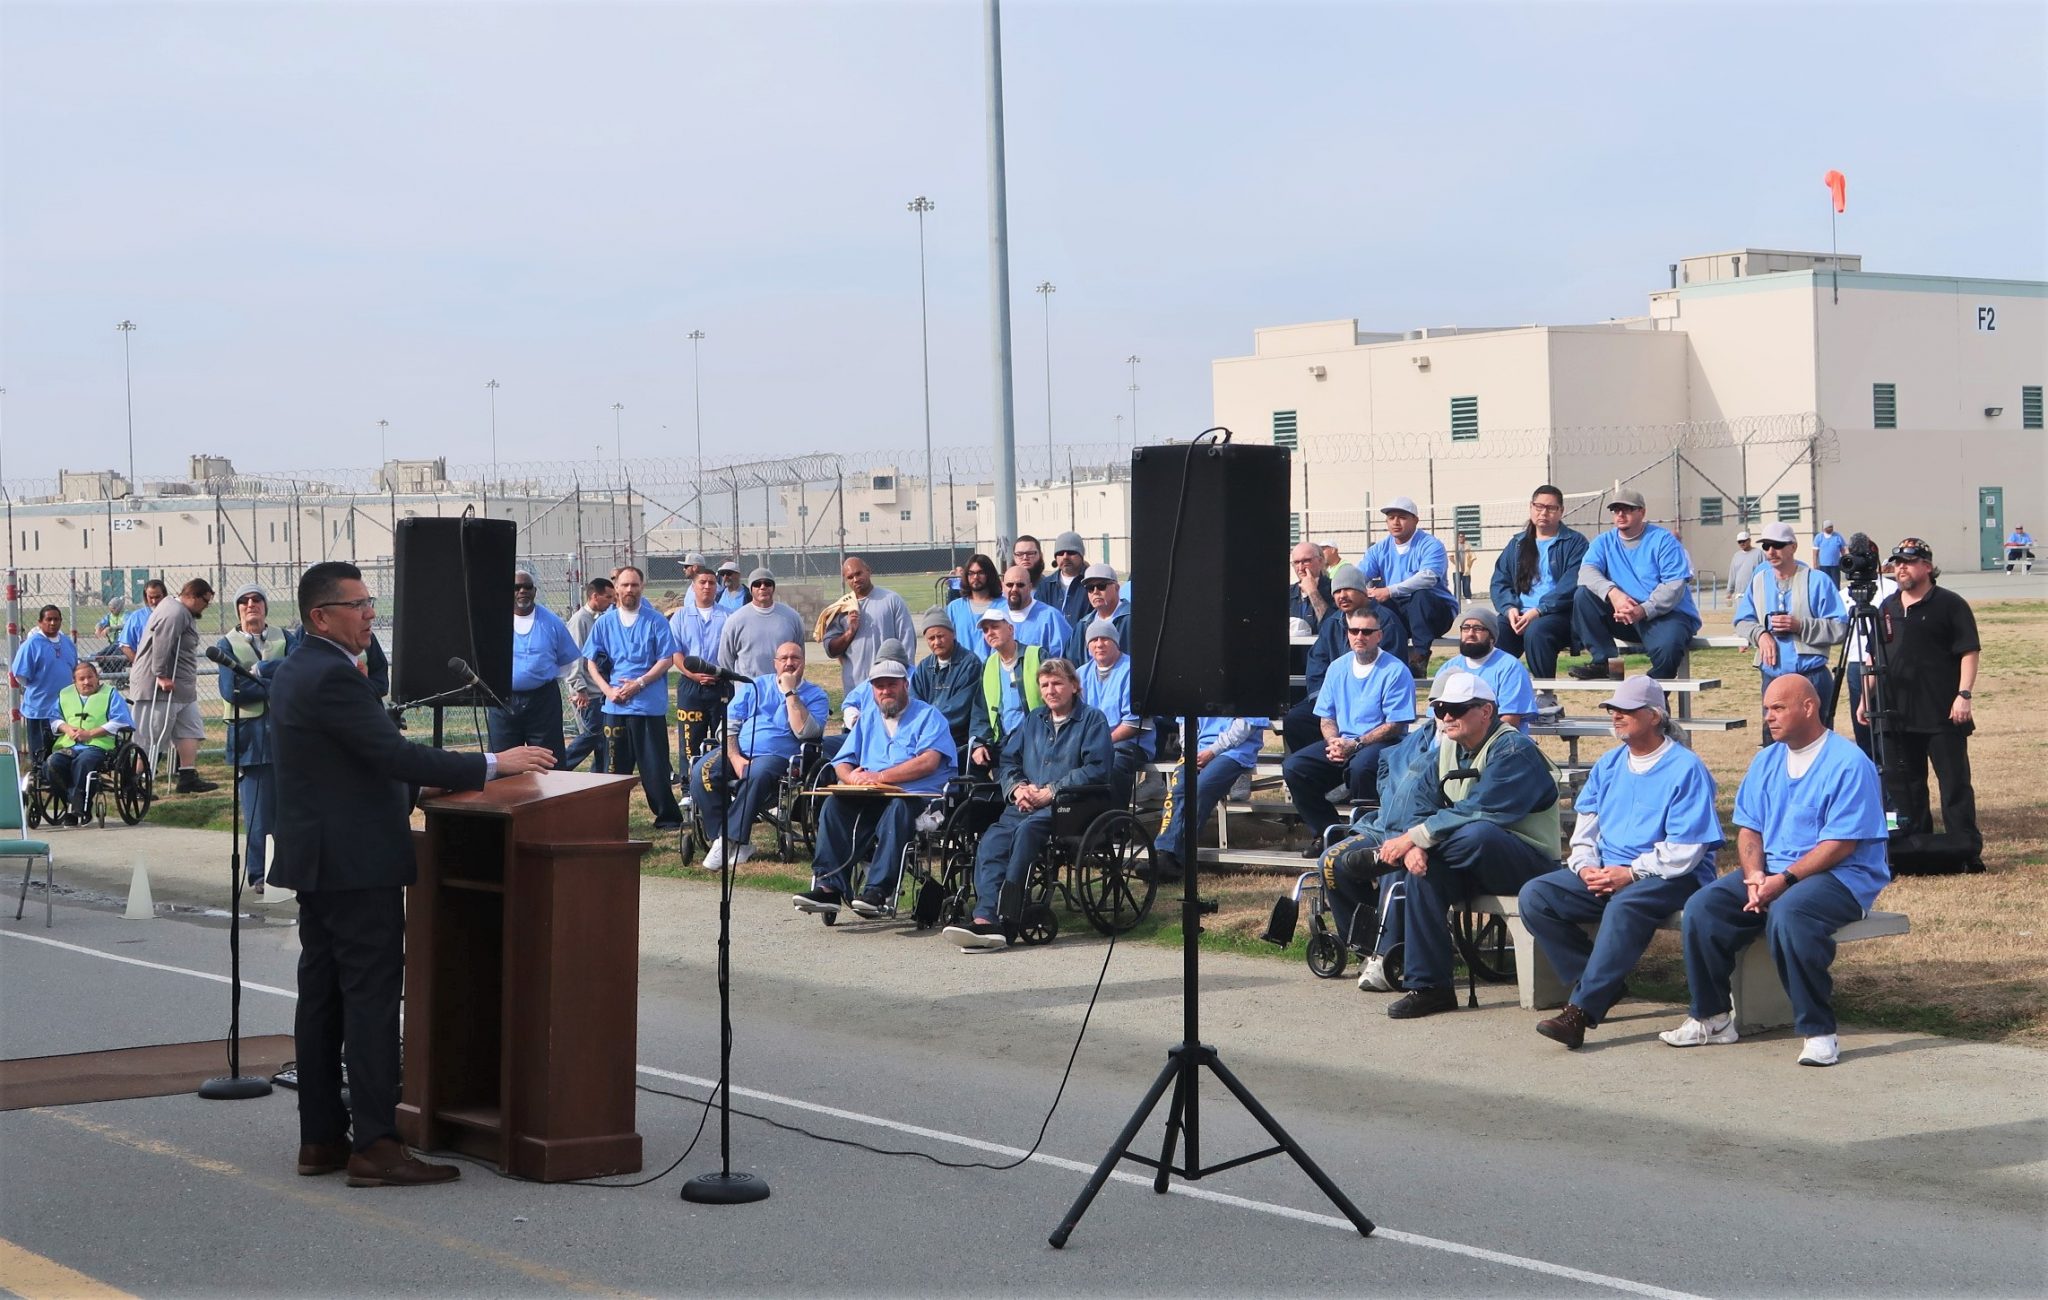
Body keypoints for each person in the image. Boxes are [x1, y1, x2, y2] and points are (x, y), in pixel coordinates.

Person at [269, 560, 556, 1187]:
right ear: (322, 615)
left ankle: (320, 1137)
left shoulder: (298, 669)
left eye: (372, 602)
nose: (372, 614)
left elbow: (351, 763)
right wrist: (493, 762)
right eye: (358, 604)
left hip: (321, 858)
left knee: (322, 1000)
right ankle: (375, 1144)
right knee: (368, 1003)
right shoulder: (332, 676)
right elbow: (392, 754)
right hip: (354, 862)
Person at [1661, 676, 1889, 1067]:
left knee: (1790, 913)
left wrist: (1781, 883)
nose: (1769, 717)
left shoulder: (1849, 763)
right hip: (1772, 875)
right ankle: (1712, 1019)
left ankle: (1819, 1032)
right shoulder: (1766, 760)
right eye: (1766, 708)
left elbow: (1841, 844)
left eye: (1778, 708)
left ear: (1808, 707)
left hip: (1842, 877)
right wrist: (1754, 877)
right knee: (1704, 907)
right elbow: (1750, 828)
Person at [1517, 678, 1722, 1049]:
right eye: (1613, 710)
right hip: (1610, 870)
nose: (1615, 716)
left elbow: (1685, 851)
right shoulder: (1609, 764)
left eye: (1625, 710)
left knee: (1627, 904)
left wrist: (1629, 873)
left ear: (1654, 716)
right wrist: (1584, 868)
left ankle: (1580, 1012)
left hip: (1673, 876)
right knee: (1537, 894)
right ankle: (1599, 983)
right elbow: (1585, 832)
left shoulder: (1685, 768)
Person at [1368, 673, 1560, 1020]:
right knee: (1424, 876)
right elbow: (1415, 805)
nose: (1445, 718)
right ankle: (1430, 987)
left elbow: (1481, 808)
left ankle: (1390, 862)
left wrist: (1415, 839)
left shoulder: (1515, 749)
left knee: (1478, 833)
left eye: (1455, 709)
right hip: (1469, 859)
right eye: (1440, 709)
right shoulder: (1446, 750)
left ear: (1486, 711)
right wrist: (1413, 848)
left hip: (1529, 864)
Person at [943, 656, 1112, 950]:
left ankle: (1007, 916)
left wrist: (1051, 791)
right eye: (1044, 685)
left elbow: (1096, 768)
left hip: (1066, 809)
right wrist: (1017, 788)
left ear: (1074, 685)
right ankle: (984, 918)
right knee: (993, 840)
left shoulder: (1092, 720)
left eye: (1057, 683)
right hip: (1022, 805)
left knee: (1026, 833)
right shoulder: (1033, 719)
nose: (1050, 690)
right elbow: (1009, 760)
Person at [793, 658, 957, 919]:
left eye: (891, 685)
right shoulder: (868, 718)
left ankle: (878, 890)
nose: (885, 691)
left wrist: (881, 775)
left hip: (916, 795)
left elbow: (929, 761)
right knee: (834, 806)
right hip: (872, 794)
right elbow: (842, 762)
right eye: (879, 686)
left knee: (898, 810)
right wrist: (852, 778)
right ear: (872, 691)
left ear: (905, 685)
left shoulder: (928, 716)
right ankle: (828, 887)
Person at [1862, 537, 1981, 864]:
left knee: (1954, 785)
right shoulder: (1886, 608)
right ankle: (1916, 849)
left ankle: (1964, 849)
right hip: (1897, 714)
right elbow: (1874, 657)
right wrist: (1865, 699)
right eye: (1897, 562)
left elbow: (1969, 651)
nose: (1901, 567)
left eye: (1909, 561)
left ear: (1927, 566)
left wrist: (1964, 695)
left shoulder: (1950, 604)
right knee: (1906, 787)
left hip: (1942, 713)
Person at [691, 641, 827, 870]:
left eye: (795, 658)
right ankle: (723, 839)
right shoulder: (755, 686)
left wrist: (790, 693)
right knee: (701, 771)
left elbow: (806, 732)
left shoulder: (815, 695)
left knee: (756, 772)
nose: (789, 663)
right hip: (738, 749)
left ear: (803, 663)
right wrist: (734, 756)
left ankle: (729, 840)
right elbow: (730, 723)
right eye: (783, 658)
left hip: (777, 756)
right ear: (775, 663)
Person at [1282, 609, 1414, 841]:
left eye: (1367, 631)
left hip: (1384, 744)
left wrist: (1355, 744)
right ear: (1347, 634)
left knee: (1361, 767)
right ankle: (1329, 835)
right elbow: (1327, 717)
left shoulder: (1395, 671)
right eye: (1354, 630)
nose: (1359, 636)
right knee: (1295, 767)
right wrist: (1333, 742)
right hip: (1345, 741)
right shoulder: (1337, 668)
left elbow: (1395, 724)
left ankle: (1366, 836)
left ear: (1379, 636)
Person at [584, 565, 683, 830]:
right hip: (615, 708)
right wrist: (608, 691)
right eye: (625, 585)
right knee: (613, 768)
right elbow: (591, 662)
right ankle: (611, 820)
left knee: (655, 766)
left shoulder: (655, 620)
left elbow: (666, 658)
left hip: (647, 707)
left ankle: (667, 817)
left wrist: (640, 683)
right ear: (616, 588)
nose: (630, 590)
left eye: (635, 585)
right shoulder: (604, 622)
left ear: (642, 587)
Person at [1569, 490, 1700, 681]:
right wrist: (1613, 593)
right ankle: (1604, 662)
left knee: (1668, 649)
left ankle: (1648, 698)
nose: (1620, 514)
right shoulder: (1603, 542)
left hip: (1664, 614)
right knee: (1583, 595)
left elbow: (1674, 585)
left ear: (1642, 512)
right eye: (1616, 510)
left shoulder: (1663, 540)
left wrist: (1643, 609)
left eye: (1627, 509)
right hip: (1623, 615)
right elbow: (1587, 572)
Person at [214, 585, 295, 892]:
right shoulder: (226, 644)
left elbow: (297, 670)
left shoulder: (287, 638)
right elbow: (232, 690)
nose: (251, 605)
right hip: (250, 739)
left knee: (290, 808)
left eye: (257, 600)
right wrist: (276, 686)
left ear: (265, 606)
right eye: (244, 601)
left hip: (288, 736)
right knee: (258, 812)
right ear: (237, 610)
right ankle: (260, 873)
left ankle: (289, 868)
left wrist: (260, 671)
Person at [1734, 522, 1847, 710]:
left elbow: (1840, 627)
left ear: (1793, 547)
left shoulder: (1817, 581)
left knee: (1815, 739)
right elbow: (1742, 620)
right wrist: (1760, 635)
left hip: (1811, 677)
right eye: (1766, 546)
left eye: (1777, 545)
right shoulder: (1758, 581)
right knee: (1774, 736)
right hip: (1771, 678)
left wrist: (1800, 626)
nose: (1771, 551)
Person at [1150, 715, 1269, 883]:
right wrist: (1190, 749)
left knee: (1200, 790)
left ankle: (1177, 861)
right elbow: (1185, 720)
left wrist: (1213, 751)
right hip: (1195, 751)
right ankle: (1162, 853)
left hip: (1233, 751)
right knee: (1176, 793)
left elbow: (1245, 726)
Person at [1490, 484, 1589, 680]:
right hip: (1518, 614)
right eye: (1539, 506)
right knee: (1494, 632)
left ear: (1561, 511)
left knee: (1537, 631)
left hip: (1558, 614)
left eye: (1551, 508)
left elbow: (1570, 585)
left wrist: (1539, 611)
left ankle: (1546, 693)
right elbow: (1500, 581)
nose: (1544, 512)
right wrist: (1509, 608)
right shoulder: (1517, 544)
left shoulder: (1575, 543)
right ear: (1531, 507)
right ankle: (1495, 691)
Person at [132, 578, 220, 794]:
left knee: (190, 728)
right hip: (160, 688)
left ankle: (187, 776)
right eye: (205, 601)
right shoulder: (175, 612)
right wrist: (160, 675)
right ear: (192, 596)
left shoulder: (182, 612)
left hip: (181, 690)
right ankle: (135, 781)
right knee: (152, 736)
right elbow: (162, 642)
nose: (205, 607)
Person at [486, 570, 583, 763]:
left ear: (535, 591)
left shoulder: (552, 623)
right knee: (502, 762)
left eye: (527, 587)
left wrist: (536, 676)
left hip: (542, 702)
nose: (522, 591)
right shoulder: (494, 623)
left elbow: (565, 663)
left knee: (549, 761)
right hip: (503, 701)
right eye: (516, 587)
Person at [1360, 497, 1457, 676]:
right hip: (1401, 613)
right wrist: (1360, 590)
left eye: (1402, 517)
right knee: (1374, 604)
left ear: (1415, 520)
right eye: (1391, 517)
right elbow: (1360, 574)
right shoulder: (1378, 549)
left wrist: (1390, 590)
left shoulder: (1431, 545)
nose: (1396, 522)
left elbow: (1428, 577)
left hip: (1434, 614)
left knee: (1420, 594)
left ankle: (1420, 657)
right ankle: (1385, 660)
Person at [1282, 564, 1367, 753]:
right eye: (1337, 591)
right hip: (1332, 701)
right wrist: (1323, 701)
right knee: (1295, 720)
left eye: (1348, 589)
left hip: (1366, 705)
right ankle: (1324, 765)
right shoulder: (1331, 624)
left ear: (1363, 591)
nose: (1342, 595)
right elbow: (1316, 666)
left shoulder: (1384, 623)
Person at [45, 661, 134, 826]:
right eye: (82, 679)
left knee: (84, 762)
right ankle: (76, 803)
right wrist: (67, 729)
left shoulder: (110, 694)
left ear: (97, 677)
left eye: (90, 677)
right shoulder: (65, 694)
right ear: (74, 681)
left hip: (99, 745)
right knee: (52, 763)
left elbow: (121, 721)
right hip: (68, 745)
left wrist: (90, 733)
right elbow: (54, 719)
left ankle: (79, 808)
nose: (87, 682)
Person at [1430, 606, 1540, 733]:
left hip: (1497, 743)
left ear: (1492, 637)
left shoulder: (1510, 667)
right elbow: (1436, 715)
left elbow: (1511, 719)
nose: (1470, 634)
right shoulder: (1448, 668)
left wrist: (1474, 740)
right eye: (1466, 628)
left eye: (1478, 629)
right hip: (1449, 739)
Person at [821, 555, 917, 695]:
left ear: (868, 570)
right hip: (856, 689)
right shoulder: (842, 608)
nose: (855, 579)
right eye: (850, 577)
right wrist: (850, 632)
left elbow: (907, 642)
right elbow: (831, 650)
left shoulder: (891, 600)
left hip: (888, 687)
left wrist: (905, 678)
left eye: (858, 573)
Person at [667, 569, 732, 768]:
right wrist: (692, 674)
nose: (707, 586)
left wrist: (720, 673)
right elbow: (675, 652)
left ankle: (722, 782)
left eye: (711, 583)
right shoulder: (680, 617)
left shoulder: (729, 616)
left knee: (724, 737)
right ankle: (689, 788)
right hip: (690, 685)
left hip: (721, 684)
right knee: (690, 738)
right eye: (702, 582)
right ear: (693, 586)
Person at [1079, 617, 1149, 802]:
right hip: (1092, 744)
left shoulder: (1133, 670)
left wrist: (1102, 742)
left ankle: (1114, 824)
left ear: (1116, 642)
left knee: (1113, 765)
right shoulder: (1079, 675)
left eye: (1105, 639)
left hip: (1130, 744)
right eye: (1094, 640)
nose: (1099, 644)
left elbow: (1135, 724)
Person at [1841, 551, 1897, 761]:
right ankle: (1867, 766)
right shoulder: (1844, 594)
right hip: (1855, 663)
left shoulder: (1891, 590)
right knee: (1862, 726)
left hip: (1884, 662)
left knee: (1885, 725)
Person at [969, 608, 1040, 770]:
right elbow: (981, 711)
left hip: (1036, 742)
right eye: (985, 630)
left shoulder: (1037, 655)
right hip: (1002, 744)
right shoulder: (989, 665)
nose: (990, 633)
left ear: (1010, 629)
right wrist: (979, 744)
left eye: (994, 627)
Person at [11, 604, 78, 770]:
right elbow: (21, 675)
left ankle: (59, 777)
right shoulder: (32, 644)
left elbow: (74, 669)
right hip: (40, 708)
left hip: (64, 708)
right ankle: (40, 775)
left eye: (56, 619)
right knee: (41, 751)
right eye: (49, 619)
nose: (53, 623)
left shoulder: (67, 643)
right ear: (40, 622)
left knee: (61, 749)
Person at [560, 577, 615, 772]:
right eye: (608, 597)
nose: (611, 601)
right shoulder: (579, 621)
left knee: (602, 737)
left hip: (597, 688)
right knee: (594, 733)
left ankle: (599, 774)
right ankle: (560, 765)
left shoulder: (596, 619)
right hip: (587, 691)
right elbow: (574, 657)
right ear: (594, 596)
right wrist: (580, 688)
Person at [911, 609, 981, 753]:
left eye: (941, 636)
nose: (936, 642)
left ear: (953, 634)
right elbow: (914, 703)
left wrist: (927, 725)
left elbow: (959, 709)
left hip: (957, 739)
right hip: (925, 735)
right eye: (931, 638)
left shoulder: (970, 664)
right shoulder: (924, 666)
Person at [717, 568, 805, 680]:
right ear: (750, 589)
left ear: (773, 588)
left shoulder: (792, 617)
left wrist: (792, 681)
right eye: (757, 584)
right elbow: (725, 659)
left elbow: (799, 655)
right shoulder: (735, 620)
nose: (762, 587)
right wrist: (740, 684)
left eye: (767, 583)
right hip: (750, 690)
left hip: (783, 689)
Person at [1063, 562, 1130, 661]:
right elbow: (1071, 663)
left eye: (1101, 586)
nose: (1095, 591)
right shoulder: (1082, 625)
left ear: (1116, 588)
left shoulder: (1132, 619)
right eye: (1090, 588)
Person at [1000, 563, 1068, 655]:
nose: (1014, 589)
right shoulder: (997, 617)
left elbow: (1062, 659)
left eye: (1020, 585)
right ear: (1003, 587)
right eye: (1009, 585)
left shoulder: (1050, 617)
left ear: (1030, 587)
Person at [945, 553, 1003, 654]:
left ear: (989, 574)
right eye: (971, 573)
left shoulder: (1004, 606)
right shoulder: (954, 608)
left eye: (980, 573)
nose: (975, 577)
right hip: (964, 667)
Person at [1036, 531, 1092, 621]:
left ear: (1081, 555)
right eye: (1061, 553)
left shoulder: (1093, 584)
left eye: (1071, 552)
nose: (1065, 557)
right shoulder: (1046, 586)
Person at [119, 578, 167, 667]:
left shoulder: (173, 615)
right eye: (150, 597)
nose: (154, 601)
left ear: (164, 595)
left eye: (157, 597)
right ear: (145, 597)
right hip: (145, 668)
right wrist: (140, 665)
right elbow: (125, 645)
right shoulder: (136, 617)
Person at [1288, 541, 1334, 628]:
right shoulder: (1290, 593)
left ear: (1320, 561)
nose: (1301, 568)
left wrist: (1312, 592)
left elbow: (1332, 627)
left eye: (1306, 561)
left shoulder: (1335, 590)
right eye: (1296, 563)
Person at [1725, 532, 1762, 611]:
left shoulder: (1759, 554)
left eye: (1744, 541)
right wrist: (1729, 592)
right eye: (1739, 542)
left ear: (1749, 540)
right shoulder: (1736, 556)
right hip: (1740, 595)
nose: (1742, 543)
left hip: (1754, 594)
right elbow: (1732, 574)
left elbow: (1765, 572)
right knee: (1741, 619)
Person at [1813, 520, 1847, 588]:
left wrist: (1845, 561)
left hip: (1835, 566)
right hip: (1823, 566)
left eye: (1832, 527)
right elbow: (1815, 553)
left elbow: (1843, 550)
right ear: (1824, 528)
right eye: (1829, 527)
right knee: (1825, 584)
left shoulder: (1837, 536)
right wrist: (1815, 564)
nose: (1831, 528)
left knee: (1836, 585)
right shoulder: (1819, 537)